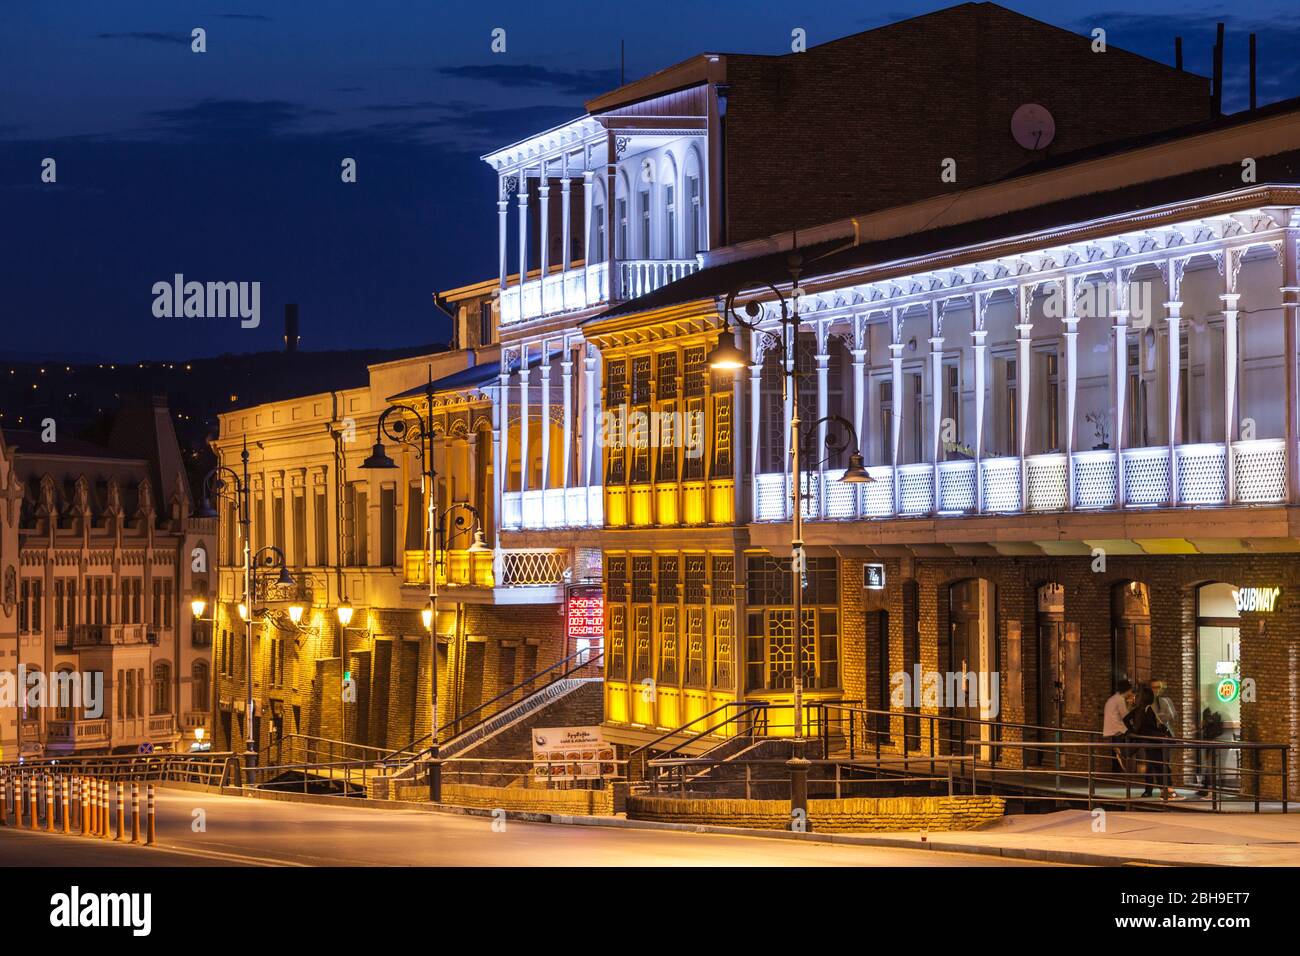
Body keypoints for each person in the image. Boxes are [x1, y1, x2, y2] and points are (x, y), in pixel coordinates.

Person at [1124, 686, 1173, 799]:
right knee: (1159, 766)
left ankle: (1153, 791)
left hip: (1146, 742)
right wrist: (1161, 732)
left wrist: (1132, 731)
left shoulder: (1138, 710)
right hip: (1153, 742)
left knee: (1153, 766)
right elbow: (1151, 727)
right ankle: (1165, 791)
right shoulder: (1147, 709)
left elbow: (1125, 720)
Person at [1102, 679, 1133, 776]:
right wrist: (1131, 705)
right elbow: (1125, 715)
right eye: (1130, 690)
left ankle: (1120, 753)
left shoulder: (1112, 699)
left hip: (1109, 729)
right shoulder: (1120, 700)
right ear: (1127, 690)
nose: (1131, 692)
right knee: (1135, 737)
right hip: (1118, 729)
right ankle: (1124, 756)